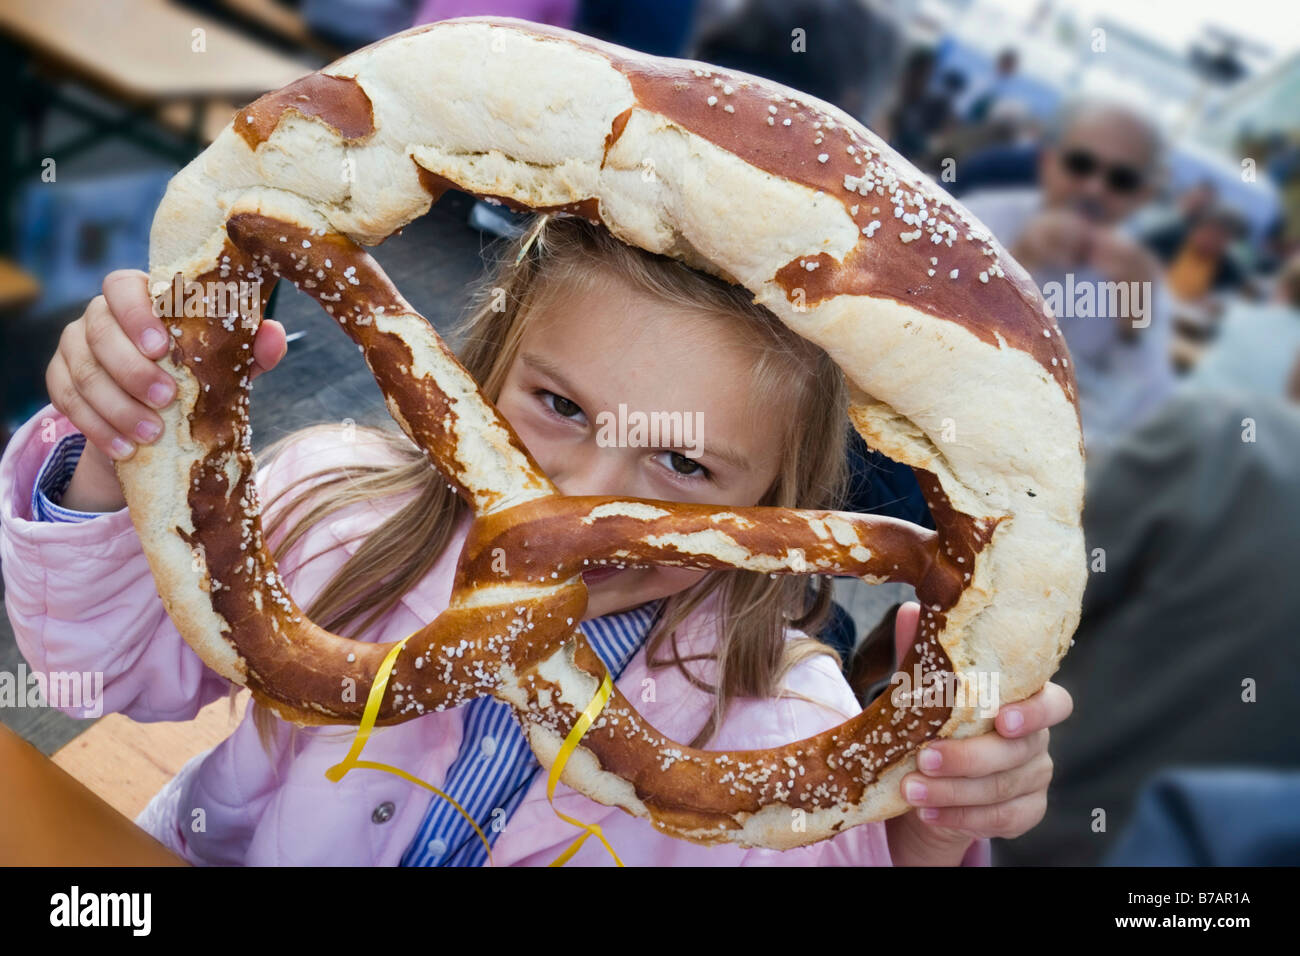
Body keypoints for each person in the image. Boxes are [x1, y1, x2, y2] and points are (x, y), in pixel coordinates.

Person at [1, 216, 1071, 866]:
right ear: (483, 365)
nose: (582, 492)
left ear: (781, 511)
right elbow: (98, 674)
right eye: (558, 404)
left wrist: (922, 834)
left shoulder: (781, 724)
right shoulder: (333, 505)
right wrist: (111, 449)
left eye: (684, 467)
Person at [960, 98, 1178, 458]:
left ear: (1142, 197)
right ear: (1048, 161)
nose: (1094, 188)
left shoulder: (1138, 273)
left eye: (1120, 180)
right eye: (1080, 165)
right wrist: (1016, 262)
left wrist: (1134, 320)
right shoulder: (982, 215)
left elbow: (1149, 419)